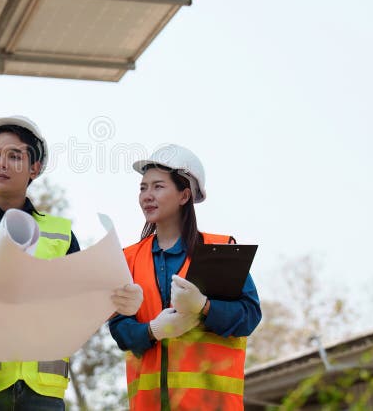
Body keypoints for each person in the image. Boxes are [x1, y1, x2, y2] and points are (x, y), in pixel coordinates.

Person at [0, 115, 143, 410]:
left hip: (42, 392)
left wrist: (117, 302)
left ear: (35, 168)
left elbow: (83, 306)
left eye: (14, 156)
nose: (0, 163)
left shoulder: (61, 233)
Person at [109, 144, 262, 411]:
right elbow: (120, 330)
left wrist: (204, 306)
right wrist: (152, 330)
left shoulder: (219, 250)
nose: (147, 195)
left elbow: (249, 315)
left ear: (184, 195)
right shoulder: (128, 259)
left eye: (158, 186)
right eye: (143, 187)